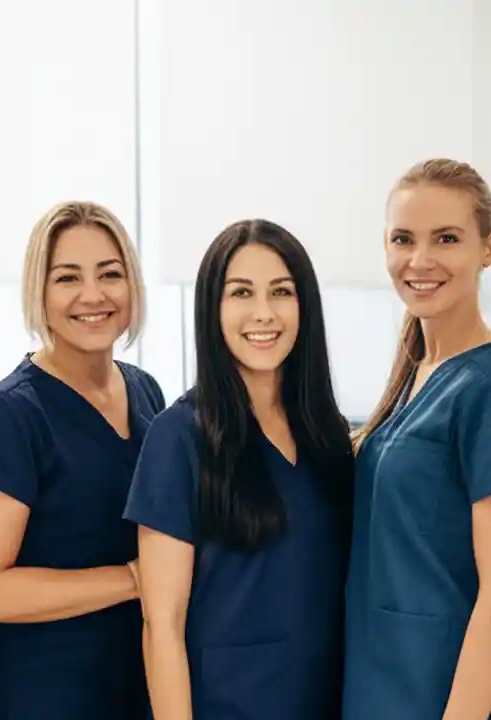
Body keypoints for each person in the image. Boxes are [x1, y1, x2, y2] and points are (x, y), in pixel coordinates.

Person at [124, 219, 354, 719]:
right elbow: (161, 623)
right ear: (212, 308)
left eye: (281, 292)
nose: (263, 313)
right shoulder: (178, 437)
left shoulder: (327, 435)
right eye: (241, 293)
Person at [343, 158, 491, 719]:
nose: (420, 260)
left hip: (452, 699)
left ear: (490, 247)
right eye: (403, 239)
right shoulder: (410, 378)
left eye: (446, 239)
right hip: (381, 685)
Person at [0, 201, 162, 718]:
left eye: (110, 274)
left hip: (127, 684)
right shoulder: (10, 416)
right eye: (68, 278)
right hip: (39, 694)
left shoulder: (145, 393)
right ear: (39, 295)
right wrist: (137, 578)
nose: (93, 295)